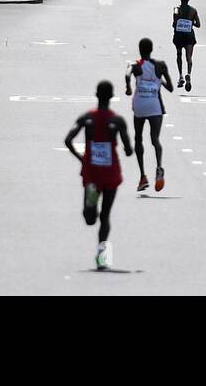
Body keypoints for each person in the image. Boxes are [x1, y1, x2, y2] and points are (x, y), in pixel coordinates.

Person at [65, 80, 132, 271]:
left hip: (92, 173)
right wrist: (127, 147)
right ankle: (102, 255)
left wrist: (82, 158)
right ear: (111, 97)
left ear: (96, 95)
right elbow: (128, 150)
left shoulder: (87, 118)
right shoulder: (117, 121)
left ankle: (102, 256)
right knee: (104, 216)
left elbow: (68, 139)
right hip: (110, 174)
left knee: (92, 217)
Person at [125, 38, 173, 193]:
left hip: (139, 106)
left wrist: (128, 88)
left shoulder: (135, 65)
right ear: (152, 49)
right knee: (155, 139)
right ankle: (159, 168)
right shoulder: (160, 65)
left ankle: (142, 176)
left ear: (140, 50)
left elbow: (127, 74)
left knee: (138, 138)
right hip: (155, 106)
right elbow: (171, 88)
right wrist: (159, 81)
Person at [172, 0, 201, 91]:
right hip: (189, 36)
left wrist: (179, 23)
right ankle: (188, 74)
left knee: (179, 54)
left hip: (179, 36)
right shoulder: (193, 10)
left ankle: (180, 76)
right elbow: (198, 24)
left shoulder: (176, 9)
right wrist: (190, 22)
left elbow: (174, 22)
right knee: (189, 57)